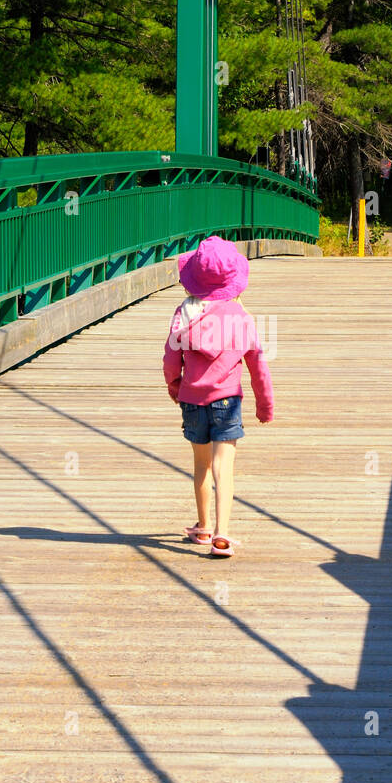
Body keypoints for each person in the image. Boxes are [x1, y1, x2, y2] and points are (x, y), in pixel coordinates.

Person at [163, 236, 274, 557]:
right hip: (227, 400)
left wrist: (175, 387)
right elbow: (258, 367)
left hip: (192, 400)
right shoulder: (240, 317)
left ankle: (203, 526)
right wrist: (265, 406)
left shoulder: (183, 314)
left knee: (201, 466)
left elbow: (171, 359)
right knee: (224, 467)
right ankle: (222, 535)